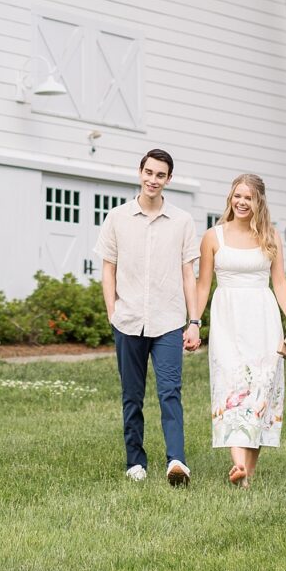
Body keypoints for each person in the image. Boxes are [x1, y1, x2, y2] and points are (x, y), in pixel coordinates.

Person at [95, 149, 200, 485]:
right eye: (149, 172)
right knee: (132, 394)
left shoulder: (182, 221)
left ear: (168, 179)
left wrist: (194, 320)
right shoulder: (117, 218)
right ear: (139, 172)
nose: (153, 180)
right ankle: (135, 461)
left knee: (170, 391)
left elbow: (188, 274)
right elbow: (108, 269)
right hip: (127, 321)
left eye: (160, 175)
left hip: (168, 320)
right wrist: (113, 311)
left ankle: (177, 461)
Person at [195, 172, 286, 487]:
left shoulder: (271, 236)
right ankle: (238, 463)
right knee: (232, 385)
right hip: (228, 320)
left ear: (259, 202)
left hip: (263, 318)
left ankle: (246, 475)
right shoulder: (214, 237)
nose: (241, 202)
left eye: (248, 197)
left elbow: (279, 282)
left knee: (261, 390)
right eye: (237, 195)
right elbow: (202, 286)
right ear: (231, 197)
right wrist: (194, 322)